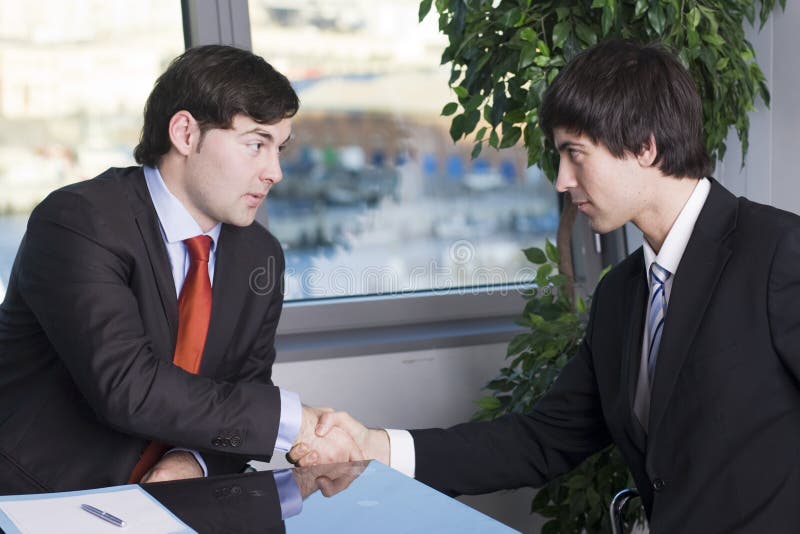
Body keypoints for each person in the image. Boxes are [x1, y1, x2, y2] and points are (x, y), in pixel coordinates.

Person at [291, 39, 800, 533]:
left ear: (645, 146)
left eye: (575, 154)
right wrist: (374, 445)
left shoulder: (778, 253)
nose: (561, 179)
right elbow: (542, 440)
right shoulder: (622, 294)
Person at [0, 44, 357, 495]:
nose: (275, 172)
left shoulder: (259, 255)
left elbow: (241, 396)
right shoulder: (78, 221)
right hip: (38, 499)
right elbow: (128, 387)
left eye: (279, 149)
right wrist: (295, 422)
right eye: (256, 145)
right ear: (186, 134)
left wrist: (193, 462)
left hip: (169, 503)